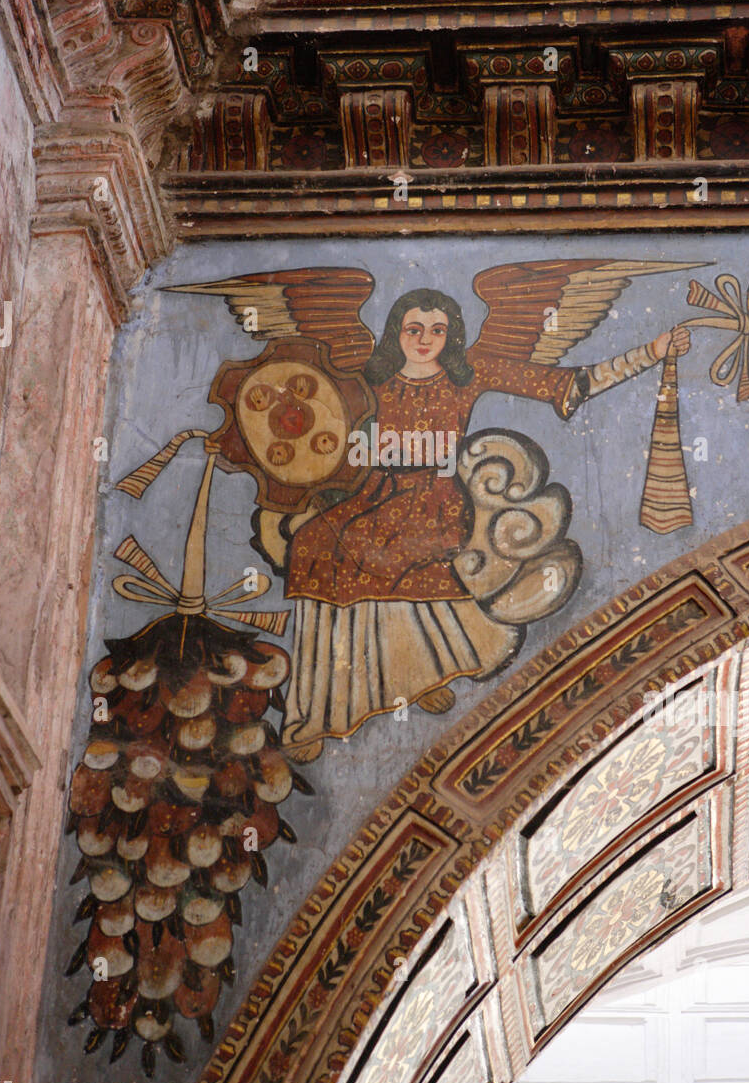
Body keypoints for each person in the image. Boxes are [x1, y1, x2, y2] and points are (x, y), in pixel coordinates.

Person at [281, 287, 690, 759]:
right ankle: (325, 707)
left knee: (391, 546)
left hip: (435, 498)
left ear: (451, 335)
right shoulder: (368, 380)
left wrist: (652, 351)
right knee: (313, 544)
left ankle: (422, 674)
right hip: (373, 492)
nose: (424, 340)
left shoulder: (469, 374)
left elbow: (567, 384)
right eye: (414, 329)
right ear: (396, 332)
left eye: (437, 330)